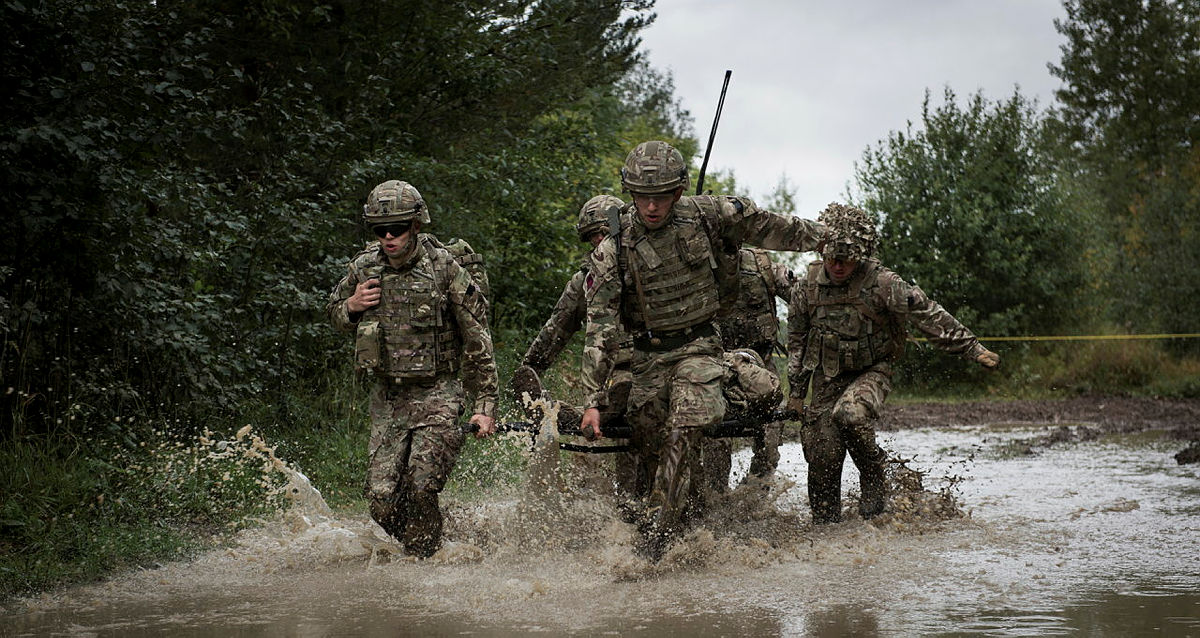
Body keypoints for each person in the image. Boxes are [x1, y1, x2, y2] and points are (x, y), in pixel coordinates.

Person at [578, 140, 828, 559]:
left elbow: (772, 227)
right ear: (629, 194)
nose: (651, 207)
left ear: (677, 193)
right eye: (642, 197)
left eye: (660, 197)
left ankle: (655, 539)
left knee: (686, 426)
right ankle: (686, 520)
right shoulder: (614, 249)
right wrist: (591, 400)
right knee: (651, 437)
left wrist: (824, 237)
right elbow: (599, 327)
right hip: (649, 358)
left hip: (701, 348)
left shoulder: (711, 215)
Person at [786, 203, 1000, 524]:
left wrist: (970, 347)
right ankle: (825, 526)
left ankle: (873, 474)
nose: (838, 266)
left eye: (846, 259)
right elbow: (797, 341)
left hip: (873, 370)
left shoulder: (883, 283)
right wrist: (797, 393)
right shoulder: (808, 287)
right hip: (828, 376)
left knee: (851, 414)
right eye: (832, 258)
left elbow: (926, 312)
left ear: (860, 255)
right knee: (821, 449)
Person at [327, 179, 498, 557]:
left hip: (438, 391)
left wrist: (485, 405)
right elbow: (334, 313)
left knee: (422, 487)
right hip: (388, 397)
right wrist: (352, 306)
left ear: (416, 225)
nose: (389, 237)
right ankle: (437, 545)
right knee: (382, 501)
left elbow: (477, 337)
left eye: (398, 228)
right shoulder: (364, 267)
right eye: (380, 230)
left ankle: (426, 564)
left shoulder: (444, 269)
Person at [512, 194, 639, 504]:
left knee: (635, 398)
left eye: (604, 233)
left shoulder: (648, 271)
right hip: (609, 376)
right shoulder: (585, 282)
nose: (598, 241)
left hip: (653, 368)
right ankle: (557, 413)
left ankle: (639, 503)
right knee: (618, 391)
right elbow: (555, 331)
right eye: (592, 236)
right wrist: (528, 372)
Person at [705, 247, 795, 492]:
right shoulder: (698, 269)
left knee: (770, 433)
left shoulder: (764, 267)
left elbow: (803, 301)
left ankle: (755, 495)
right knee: (715, 434)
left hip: (761, 368)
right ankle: (716, 497)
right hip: (716, 369)